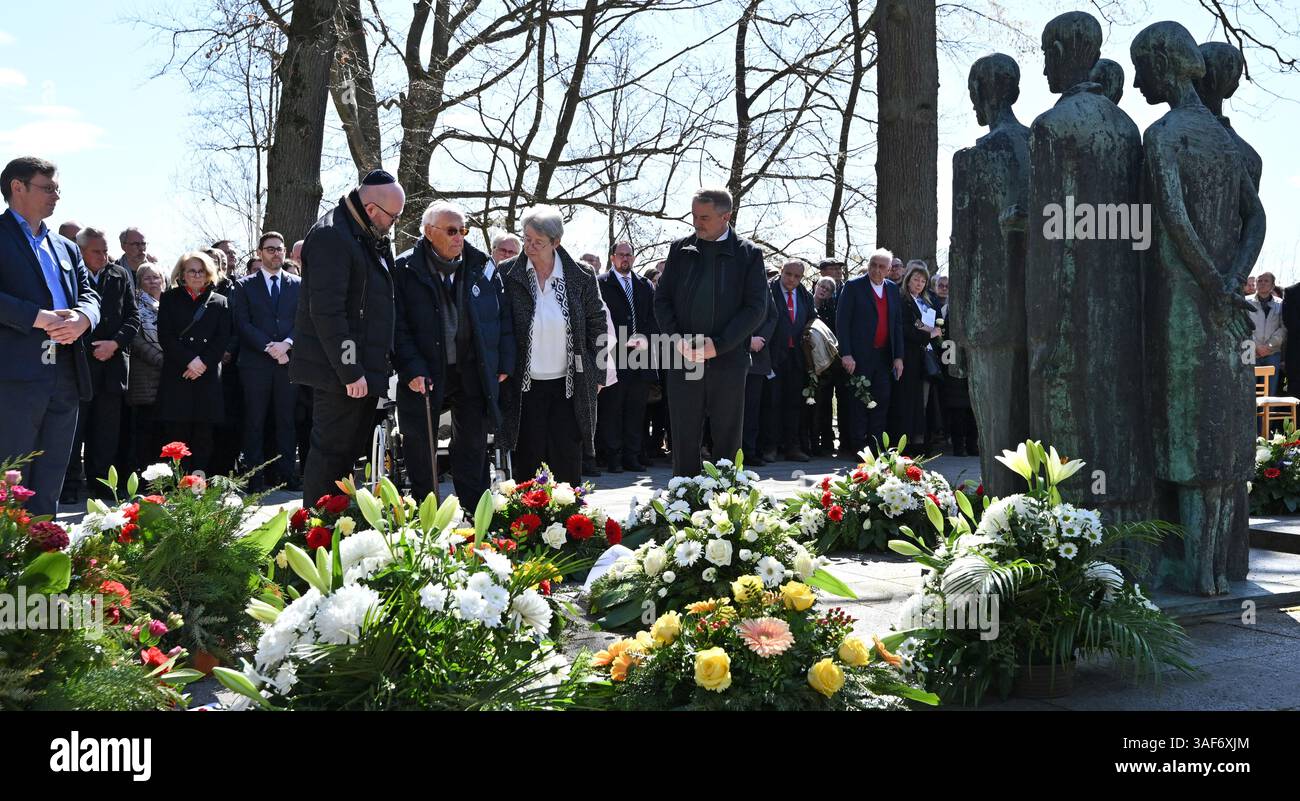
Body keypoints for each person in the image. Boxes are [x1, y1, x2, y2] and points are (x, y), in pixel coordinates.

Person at [290, 169, 404, 506]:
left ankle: (336, 521)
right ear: (371, 209)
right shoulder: (332, 236)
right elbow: (328, 313)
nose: (394, 223)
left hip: (361, 369)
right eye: (392, 216)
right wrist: (351, 368)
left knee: (346, 456)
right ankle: (316, 529)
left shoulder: (363, 232)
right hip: (338, 372)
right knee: (330, 454)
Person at [393, 201, 515, 503]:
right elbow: (396, 325)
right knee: (421, 444)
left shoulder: (482, 265)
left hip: (472, 368)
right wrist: (410, 368)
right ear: (429, 232)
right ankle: (426, 514)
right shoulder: (404, 268)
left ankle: (476, 512)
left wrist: (503, 362)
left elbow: (502, 316)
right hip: (424, 369)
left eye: (463, 230)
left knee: (473, 444)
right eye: (451, 231)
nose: (459, 236)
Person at [0, 156, 99, 517]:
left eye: (58, 188)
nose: (56, 196)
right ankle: (9, 559)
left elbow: (90, 294)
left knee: (52, 470)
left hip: (66, 372)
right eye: (48, 188)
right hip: (14, 377)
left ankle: (45, 551)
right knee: (12, 474)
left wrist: (82, 317)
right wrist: (36, 318)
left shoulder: (66, 247)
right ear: (17, 187)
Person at [653, 187, 768, 477]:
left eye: (703, 217)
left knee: (728, 435)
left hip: (727, 359)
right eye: (693, 215)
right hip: (683, 356)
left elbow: (756, 308)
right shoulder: (680, 249)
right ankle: (683, 496)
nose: (696, 223)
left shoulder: (749, 255)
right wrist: (677, 339)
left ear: (725, 216)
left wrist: (719, 345)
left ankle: (727, 500)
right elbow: (662, 299)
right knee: (683, 432)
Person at [498, 206, 605, 485]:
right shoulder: (508, 272)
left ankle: (569, 523)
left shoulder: (582, 275)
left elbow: (598, 324)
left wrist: (598, 371)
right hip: (525, 385)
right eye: (526, 239)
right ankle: (527, 524)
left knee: (567, 458)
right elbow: (500, 324)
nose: (530, 247)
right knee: (527, 461)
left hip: (569, 386)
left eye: (538, 242)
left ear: (556, 242)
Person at [64, 227, 139, 501]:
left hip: (112, 366)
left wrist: (114, 344)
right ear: (81, 251)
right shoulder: (70, 275)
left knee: (106, 432)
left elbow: (133, 318)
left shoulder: (120, 275)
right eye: (97, 251)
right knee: (74, 431)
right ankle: (69, 485)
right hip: (78, 366)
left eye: (106, 250)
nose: (104, 257)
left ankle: (101, 485)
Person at [232, 231, 301, 490]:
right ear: (260, 253)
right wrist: (269, 347)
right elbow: (242, 322)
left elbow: (303, 321)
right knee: (255, 421)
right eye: (270, 249)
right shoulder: (244, 285)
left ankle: (287, 476)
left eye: (280, 249)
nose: (276, 253)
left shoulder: (298, 284)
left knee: (286, 421)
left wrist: (287, 345)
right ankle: (255, 477)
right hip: (255, 365)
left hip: (287, 362)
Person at [156, 251, 232, 473]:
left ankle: (198, 482)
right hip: (178, 373)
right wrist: (189, 361)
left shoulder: (220, 302)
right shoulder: (169, 299)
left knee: (203, 434)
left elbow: (222, 338)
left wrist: (202, 364)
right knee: (177, 433)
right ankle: (179, 482)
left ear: (209, 274)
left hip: (206, 376)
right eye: (192, 271)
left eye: (201, 271)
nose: (197, 276)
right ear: (182, 274)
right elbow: (166, 336)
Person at [597, 240, 656, 473]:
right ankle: (614, 457)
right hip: (613, 356)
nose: (625, 259)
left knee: (636, 409)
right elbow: (599, 319)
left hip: (640, 357)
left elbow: (654, 317)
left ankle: (632, 456)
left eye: (629, 255)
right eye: (621, 254)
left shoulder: (644, 285)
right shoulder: (601, 284)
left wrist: (645, 338)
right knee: (612, 409)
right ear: (612, 257)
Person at [837, 248, 904, 454]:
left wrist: (898, 357)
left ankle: (876, 448)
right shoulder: (854, 286)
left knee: (881, 400)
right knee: (859, 401)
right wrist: (846, 353)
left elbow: (897, 324)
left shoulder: (892, 289)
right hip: (859, 356)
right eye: (872, 264)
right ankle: (858, 447)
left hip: (884, 355)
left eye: (881, 266)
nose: (875, 269)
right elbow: (842, 321)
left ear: (889, 269)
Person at [767, 260, 815, 462]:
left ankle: (792, 446)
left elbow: (812, 319)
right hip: (772, 356)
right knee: (771, 402)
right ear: (781, 271)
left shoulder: (805, 295)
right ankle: (769, 447)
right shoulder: (768, 291)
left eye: (797, 276)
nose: (792, 279)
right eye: (788, 274)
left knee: (794, 403)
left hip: (797, 358)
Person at [896, 263, 941, 454]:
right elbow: (907, 327)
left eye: (923, 281)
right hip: (909, 355)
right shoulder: (903, 300)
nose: (919, 284)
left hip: (925, 356)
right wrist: (927, 333)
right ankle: (907, 443)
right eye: (916, 279)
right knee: (909, 400)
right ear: (908, 280)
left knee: (924, 400)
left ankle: (921, 440)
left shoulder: (926, 301)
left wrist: (934, 332)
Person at [127, 263, 167, 474]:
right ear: (139, 282)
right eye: (147, 278)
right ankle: (142, 475)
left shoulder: (170, 305)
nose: (153, 281)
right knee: (144, 430)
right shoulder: (134, 305)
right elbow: (135, 339)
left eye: (156, 277)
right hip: (144, 376)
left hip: (169, 377)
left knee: (164, 431)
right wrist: (161, 359)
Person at [743, 286, 779, 466]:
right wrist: (745, 340)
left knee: (752, 408)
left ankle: (749, 451)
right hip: (729, 354)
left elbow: (772, 316)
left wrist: (760, 339)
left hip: (757, 359)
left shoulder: (763, 286)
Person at [811, 276, 843, 456]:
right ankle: (812, 439)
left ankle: (825, 440)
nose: (823, 290)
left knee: (824, 402)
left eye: (828, 289)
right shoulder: (806, 302)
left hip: (826, 362)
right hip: (808, 359)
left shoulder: (831, 309)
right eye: (821, 286)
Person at [1247, 272, 1285, 395]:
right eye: (1260, 280)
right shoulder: (1245, 301)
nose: (1262, 283)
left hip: (1272, 353)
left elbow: (1283, 328)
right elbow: (1243, 327)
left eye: (1266, 281)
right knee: (1247, 391)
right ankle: (1248, 415)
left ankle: (1263, 415)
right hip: (1249, 351)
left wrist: (1269, 346)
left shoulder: (1281, 304)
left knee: (1268, 393)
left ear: (1273, 285)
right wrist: (1256, 346)